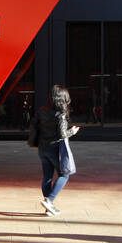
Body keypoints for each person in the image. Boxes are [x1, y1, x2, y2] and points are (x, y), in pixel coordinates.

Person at [28, 85, 79, 217]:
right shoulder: (60, 115)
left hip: (42, 148)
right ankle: (49, 201)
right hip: (54, 149)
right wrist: (72, 131)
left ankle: (48, 207)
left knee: (47, 177)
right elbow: (62, 134)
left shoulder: (41, 111)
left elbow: (35, 126)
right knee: (64, 175)